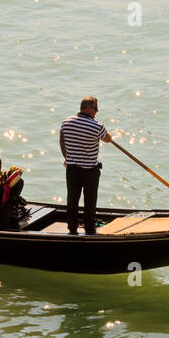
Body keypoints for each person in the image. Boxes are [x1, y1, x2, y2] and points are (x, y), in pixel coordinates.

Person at [60, 95, 113, 235]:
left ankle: (72, 228)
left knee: (72, 199)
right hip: (90, 170)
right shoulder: (97, 126)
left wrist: (68, 157)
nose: (97, 111)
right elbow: (107, 139)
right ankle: (89, 229)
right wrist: (109, 136)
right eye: (95, 108)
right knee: (90, 201)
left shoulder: (66, 122)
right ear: (88, 108)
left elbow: (62, 141)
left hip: (72, 169)